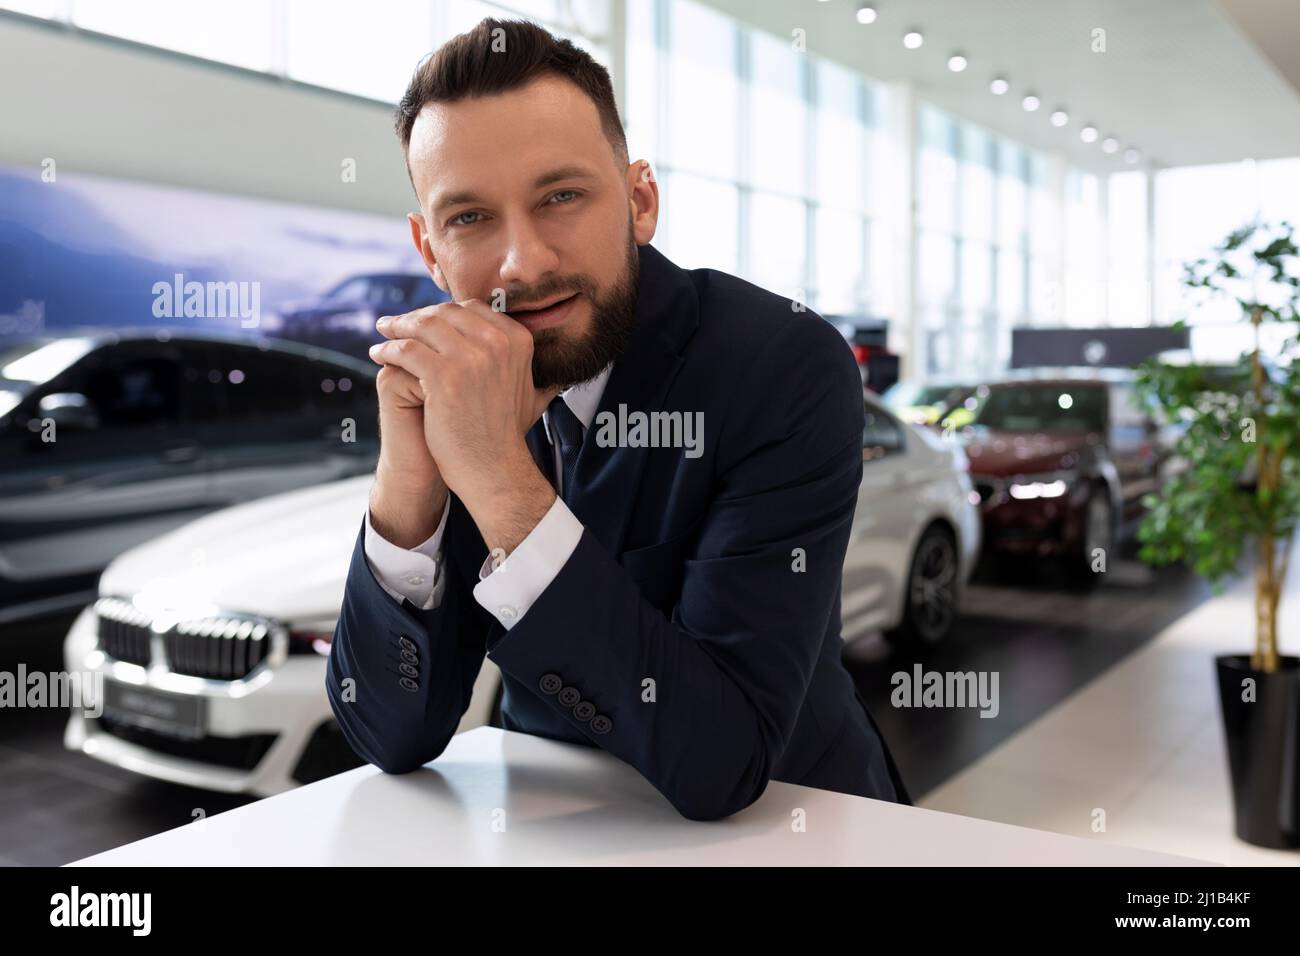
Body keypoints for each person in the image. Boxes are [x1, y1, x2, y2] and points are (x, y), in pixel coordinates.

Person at [326, 16, 909, 821]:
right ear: (430, 251)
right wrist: (408, 480)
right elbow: (387, 734)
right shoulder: (461, 386)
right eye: (470, 219)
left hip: (794, 826)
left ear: (639, 202)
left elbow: (723, 763)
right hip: (555, 825)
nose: (522, 263)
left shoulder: (780, 364)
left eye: (560, 196)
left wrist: (498, 477)